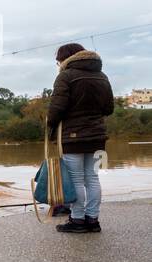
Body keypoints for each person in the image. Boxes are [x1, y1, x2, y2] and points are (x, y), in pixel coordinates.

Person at [48, 43, 114, 234]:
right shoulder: (102, 76)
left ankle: (77, 220)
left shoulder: (65, 76)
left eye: (58, 60)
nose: (58, 63)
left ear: (66, 58)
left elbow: (56, 109)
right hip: (97, 136)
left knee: (75, 180)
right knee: (92, 178)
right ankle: (92, 221)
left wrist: (49, 124)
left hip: (73, 137)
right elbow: (109, 108)